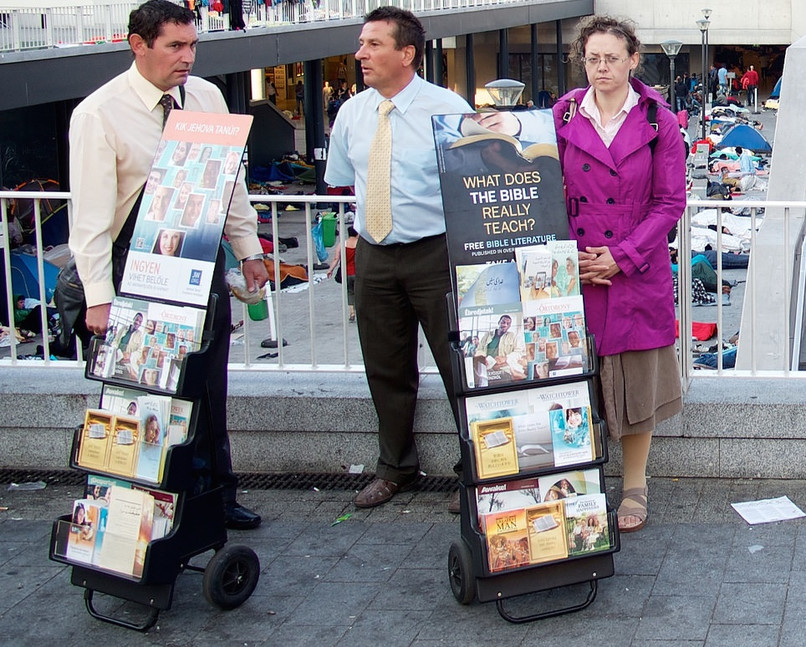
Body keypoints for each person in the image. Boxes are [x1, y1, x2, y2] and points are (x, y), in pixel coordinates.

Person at [68, 0, 268, 530]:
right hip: (133, 268)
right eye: (175, 46)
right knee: (144, 392)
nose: (188, 57)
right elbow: (89, 220)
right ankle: (149, 506)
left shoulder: (206, 96)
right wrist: (98, 297)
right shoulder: (98, 114)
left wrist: (249, 249)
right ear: (138, 45)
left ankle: (216, 498)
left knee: (209, 388)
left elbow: (230, 183)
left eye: (193, 45)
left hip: (200, 261)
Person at [324, 6, 472, 511]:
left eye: (374, 44)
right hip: (375, 256)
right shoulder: (352, 113)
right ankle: (395, 468)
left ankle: (473, 472)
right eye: (361, 44)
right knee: (385, 366)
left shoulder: (447, 109)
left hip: (437, 254)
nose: (360, 54)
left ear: (406, 53)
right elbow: (345, 181)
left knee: (459, 366)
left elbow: (470, 183)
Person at [551, 15, 685, 533]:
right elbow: (544, 191)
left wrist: (621, 256)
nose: (601, 67)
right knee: (572, 381)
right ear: (581, 61)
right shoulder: (562, 115)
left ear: (633, 60)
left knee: (634, 386)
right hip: (578, 267)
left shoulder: (658, 122)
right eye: (592, 58)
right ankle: (577, 482)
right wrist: (574, 258)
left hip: (635, 269)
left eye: (611, 57)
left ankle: (634, 485)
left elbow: (669, 202)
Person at [327, 225, 358, 322]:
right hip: (358, 273)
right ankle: (360, 311)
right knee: (359, 292)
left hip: (346, 273)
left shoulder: (342, 244)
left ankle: (352, 312)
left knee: (350, 291)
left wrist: (330, 270)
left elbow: (336, 259)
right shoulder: (360, 244)